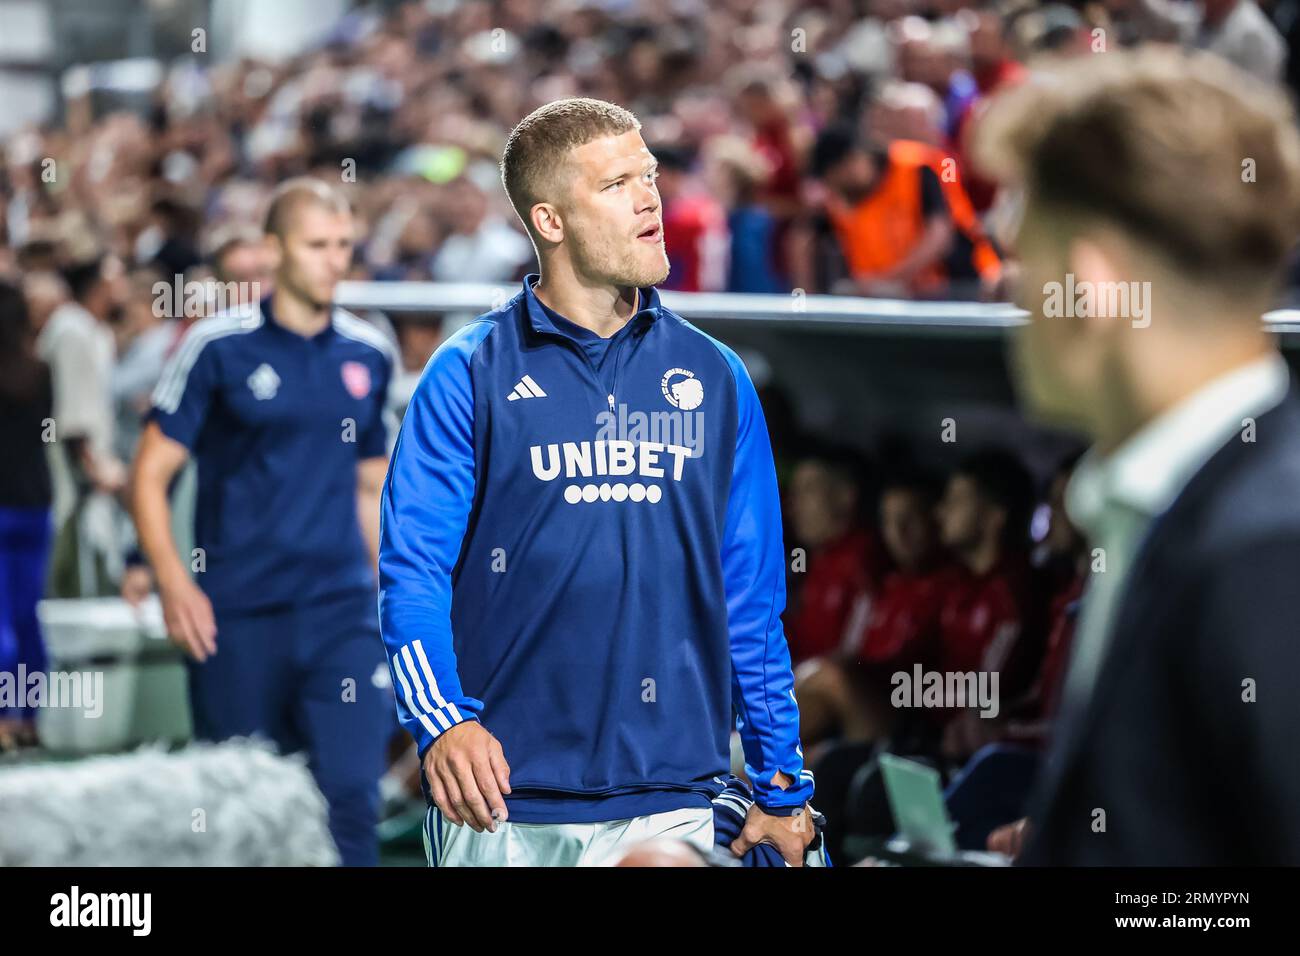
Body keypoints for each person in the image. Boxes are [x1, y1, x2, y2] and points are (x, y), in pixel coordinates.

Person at [380, 97, 815, 867]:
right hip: (504, 803)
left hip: (677, 799)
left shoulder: (716, 375)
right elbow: (414, 574)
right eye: (617, 184)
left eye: (648, 176)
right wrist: (443, 722)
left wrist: (781, 780)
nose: (650, 197)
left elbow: (749, 597)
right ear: (549, 221)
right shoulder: (467, 374)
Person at [973, 46, 1300, 864]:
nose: (1007, 292)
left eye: (1022, 254)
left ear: (1091, 284)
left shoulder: (1266, 551)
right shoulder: (1184, 512)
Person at [129, 178, 396, 866]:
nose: (334, 260)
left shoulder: (367, 353)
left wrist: (395, 598)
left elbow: (371, 487)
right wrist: (172, 582)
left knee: (351, 799)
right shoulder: (218, 347)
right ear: (275, 250)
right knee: (237, 816)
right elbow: (151, 474)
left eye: (343, 245)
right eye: (317, 245)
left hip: (341, 616)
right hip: (236, 614)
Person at [0, 282, 54, 750]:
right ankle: (31, 718)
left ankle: (2, 719)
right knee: (27, 616)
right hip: (35, 503)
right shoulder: (39, 372)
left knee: (1, 619)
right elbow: (47, 433)